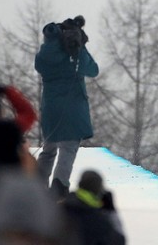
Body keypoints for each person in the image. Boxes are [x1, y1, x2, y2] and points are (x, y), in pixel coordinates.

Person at [35, 15, 99, 197]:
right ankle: (59, 186)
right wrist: (81, 47)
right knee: (68, 149)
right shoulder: (74, 53)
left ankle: (38, 187)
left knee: (48, 150)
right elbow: (93, 69)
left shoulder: (45, 54)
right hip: (73, 110)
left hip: (51, 109)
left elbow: (39, 65)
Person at [62, 170, 127, 245]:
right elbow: (119, 241)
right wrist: (111, 211)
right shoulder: (97, 221)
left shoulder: (58, 209)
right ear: (98, 191)